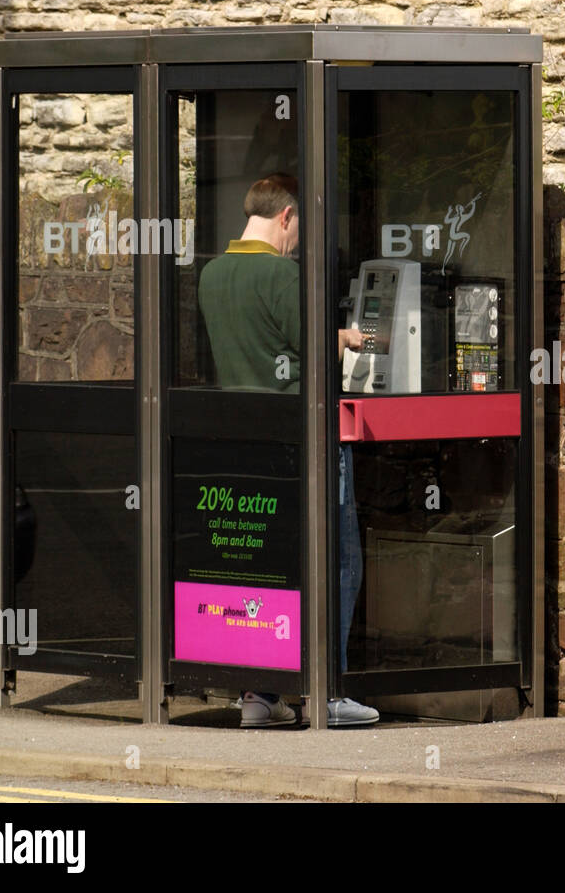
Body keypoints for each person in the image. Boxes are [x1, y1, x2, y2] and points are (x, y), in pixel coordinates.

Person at [197, 172, 378, 728]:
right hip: (305, 439)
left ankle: (260, 693)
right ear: (286, 216)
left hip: (244, 444)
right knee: (338, 559)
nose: (299, 241)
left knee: (264, 567)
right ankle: (327, 691)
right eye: (300, 228)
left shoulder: (211, 274)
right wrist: (348, 337)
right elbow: (312, 349)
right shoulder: (282, 275)